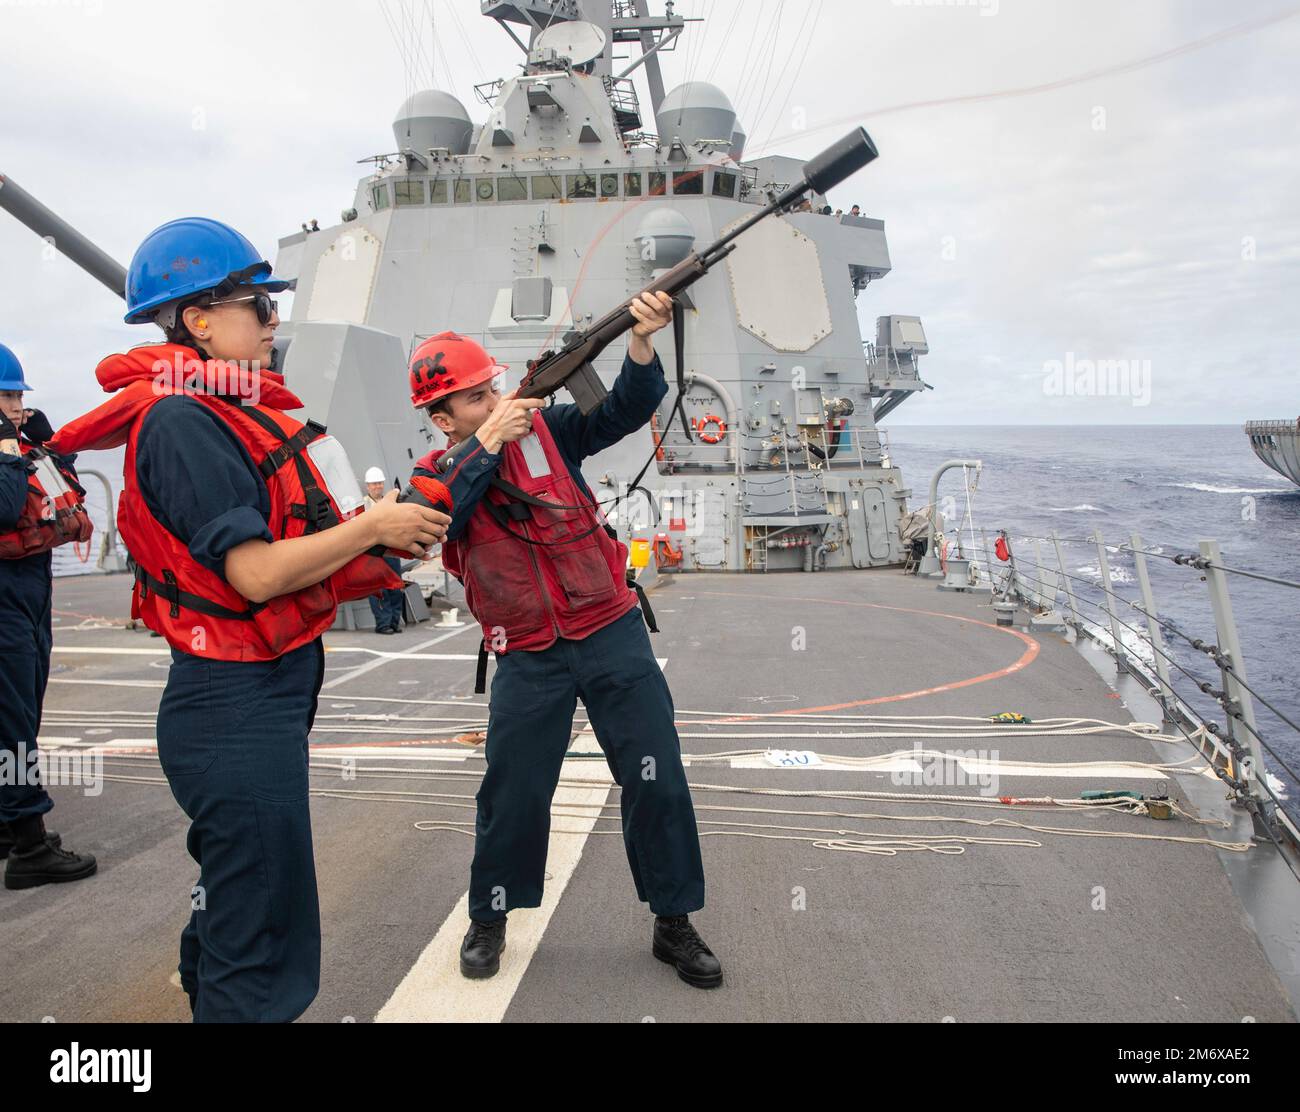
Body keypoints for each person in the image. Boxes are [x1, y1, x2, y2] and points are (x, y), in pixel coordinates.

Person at [51, 217, 450, 1021]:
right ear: (198, 321)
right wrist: (371, 527)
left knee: (236, 894)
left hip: (260, 695)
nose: (274, 323)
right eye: (258, 307)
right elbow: (257, 574)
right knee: (261, 933)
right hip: (232, 706)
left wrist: (379, 527)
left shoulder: (217, 411)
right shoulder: (182, 422)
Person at [407, 294, 723, 990]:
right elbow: (432, 517)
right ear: (442, 418)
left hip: (610, 630)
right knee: (513, 794)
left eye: (493, 387)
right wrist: (488, 443)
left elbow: (623, 408)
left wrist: (641, 343)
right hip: (525, 652)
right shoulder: (437, 475)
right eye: (474, 397)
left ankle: (674, 922)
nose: (494, 400)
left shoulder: (548, 432)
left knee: (657, 777)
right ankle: (490, 918)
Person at [0, 343, 97, 889]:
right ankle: (31, 847)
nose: (17, 405)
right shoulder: (4, 450)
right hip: (5, 593)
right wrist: (8, 445)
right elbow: (4, 504)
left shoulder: (17, 444)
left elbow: (60, 482)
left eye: (19, 396)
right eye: (9, 395)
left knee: (24, 705)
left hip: (28, 586)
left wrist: (39, 436)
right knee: (11, 720)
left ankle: (7, 821)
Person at [363, 466, 405, 634]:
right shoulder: (363, 505)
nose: (377, 486)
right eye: (374, 484)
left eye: (379, 483)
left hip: (392, 550)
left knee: (395, 587)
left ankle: (395, 622)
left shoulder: (391, 502)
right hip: (374, 553)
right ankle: (383, 624)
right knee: (378, 589)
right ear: (368, 486)